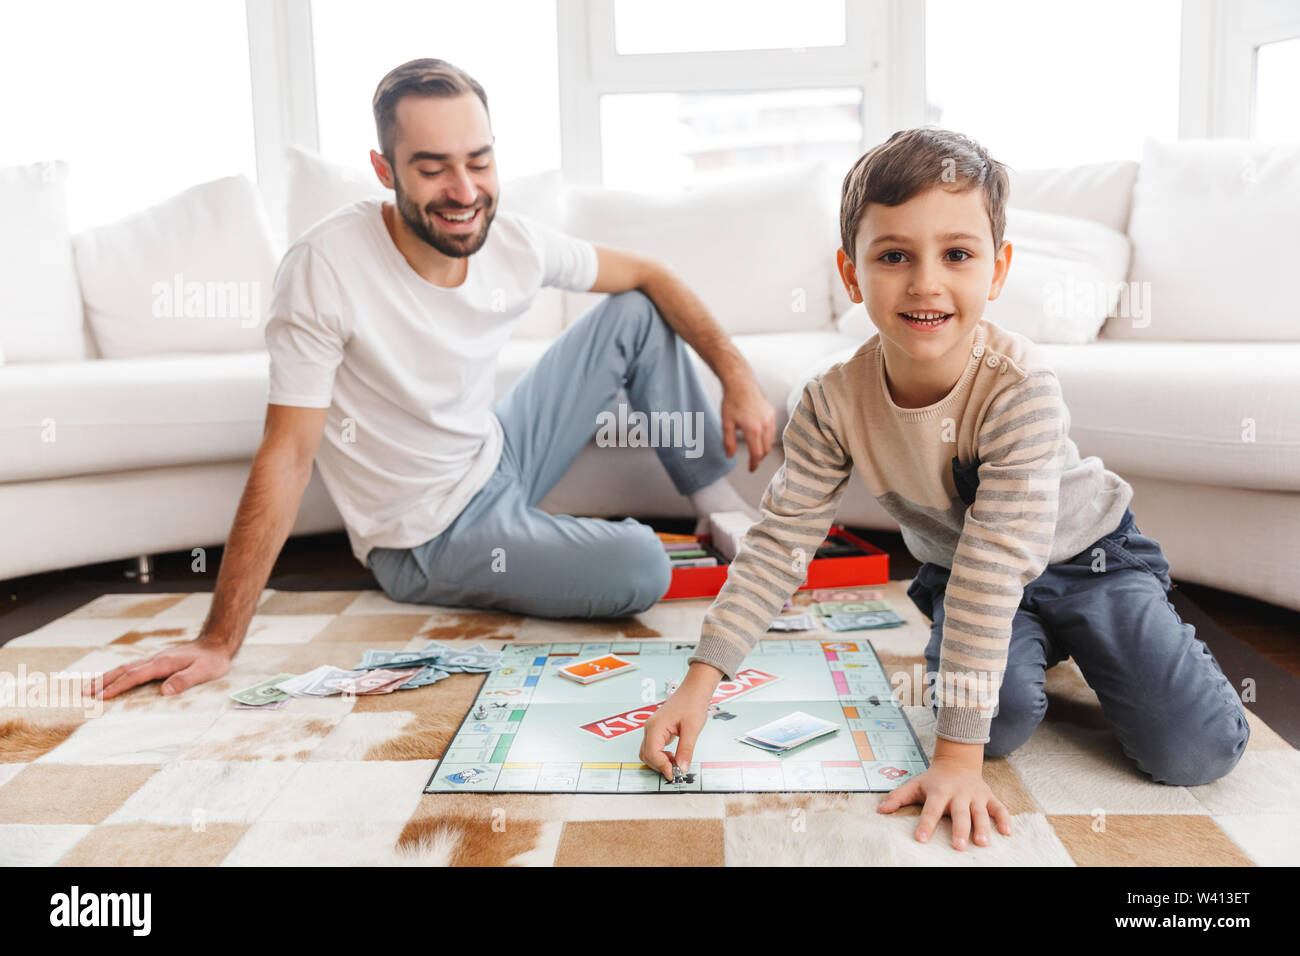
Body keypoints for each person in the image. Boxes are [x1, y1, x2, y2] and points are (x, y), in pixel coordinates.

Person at [639, 126, 1250, 850]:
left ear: (997, 271)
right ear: (850, 273)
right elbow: (779, 544)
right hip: (967, 576)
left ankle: (1112, 633)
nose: (925, 283)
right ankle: (1033, 646)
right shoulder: (831, 401)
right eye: (893, 256)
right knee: (996, 723)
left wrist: (953, 764)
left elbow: (1001, 560)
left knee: (1195, 751)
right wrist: (700, 681)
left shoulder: (1020, 386)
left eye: (957, 255)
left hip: (1090, 560)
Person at [88, 58, 774, 701]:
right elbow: (288, 453)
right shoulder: (324, 267)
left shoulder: (513, 243)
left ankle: (715, 504)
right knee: (642, 567)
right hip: (428, 539)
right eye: (433, 168)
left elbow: (652, 274)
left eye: (479, 161)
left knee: (632, 311)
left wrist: (735, 376)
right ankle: (534, 547)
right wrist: (217, 640)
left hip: (496, 453)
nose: (465, 191)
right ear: (384, 169)